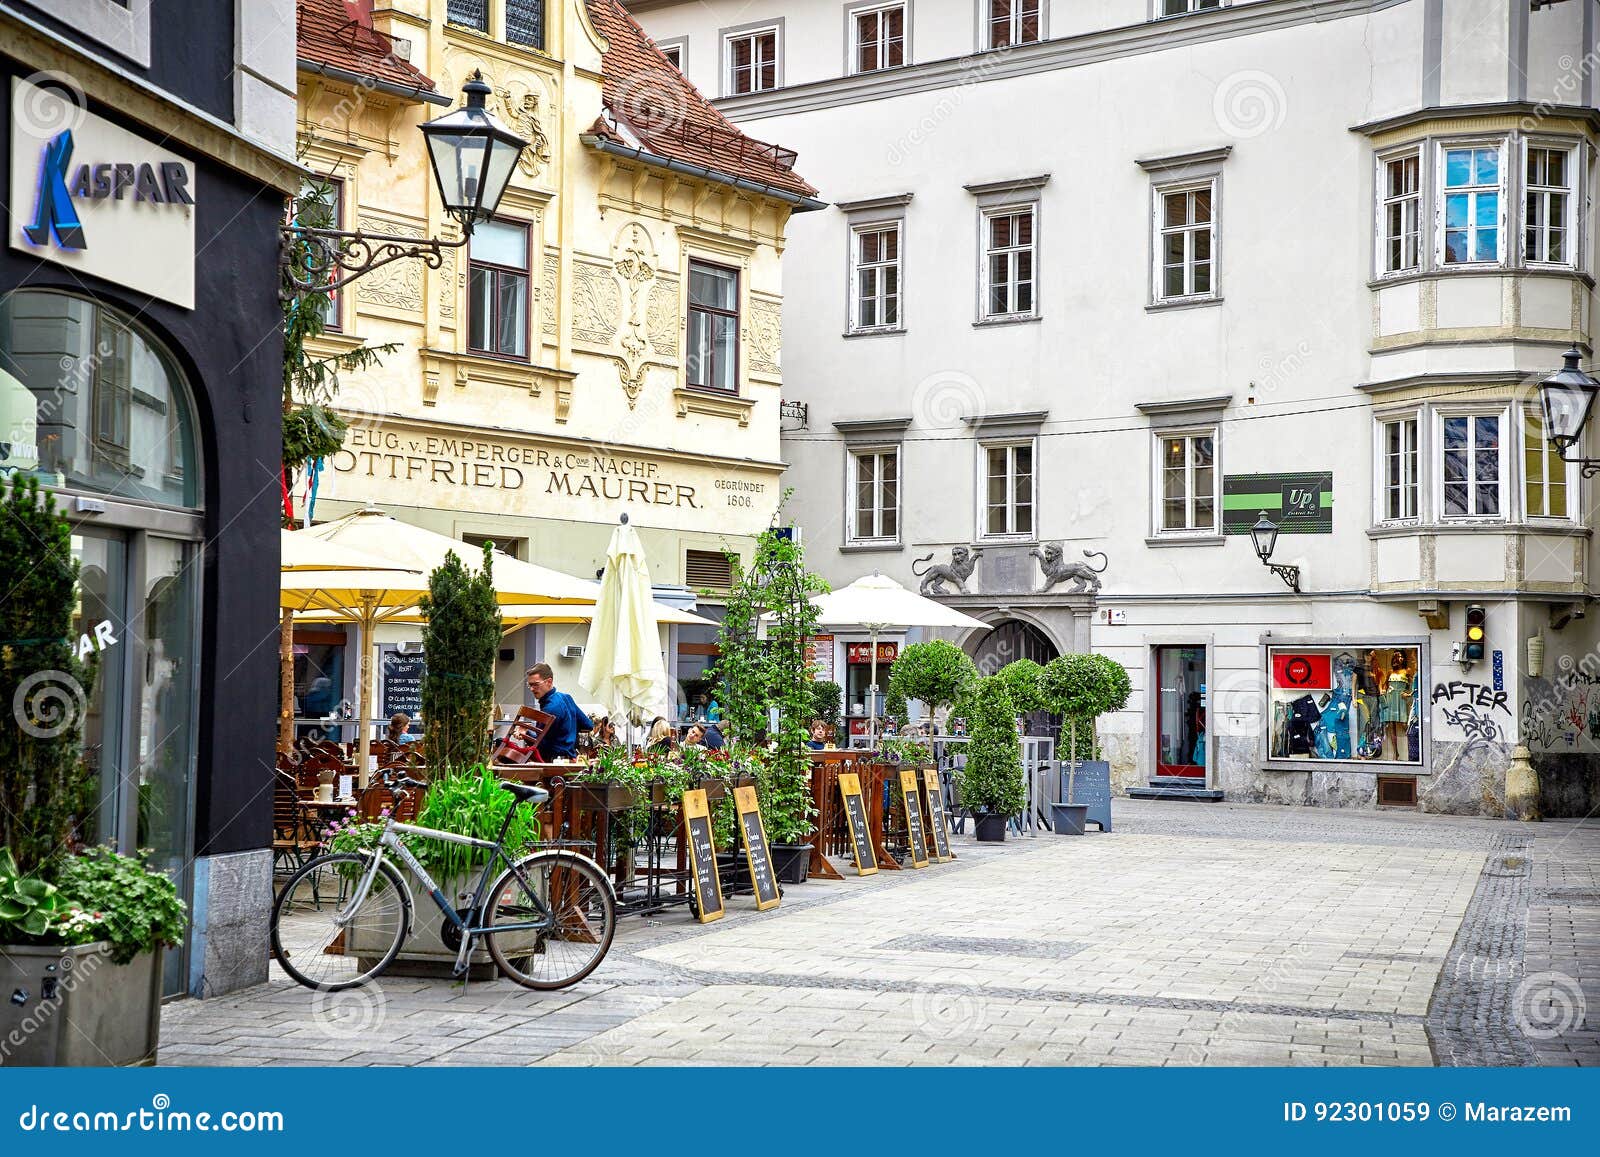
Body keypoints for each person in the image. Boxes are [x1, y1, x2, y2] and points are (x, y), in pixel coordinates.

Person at [525, 663, 592, 762]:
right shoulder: (566, 698)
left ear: (549, 681)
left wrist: (525, 733)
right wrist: (568, 734)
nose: (531, 689)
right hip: (569, 760)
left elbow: (539, 745)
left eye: (535, 684)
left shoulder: (550, 709)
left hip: (553, 763)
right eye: (530, 685)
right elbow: (588, 725)